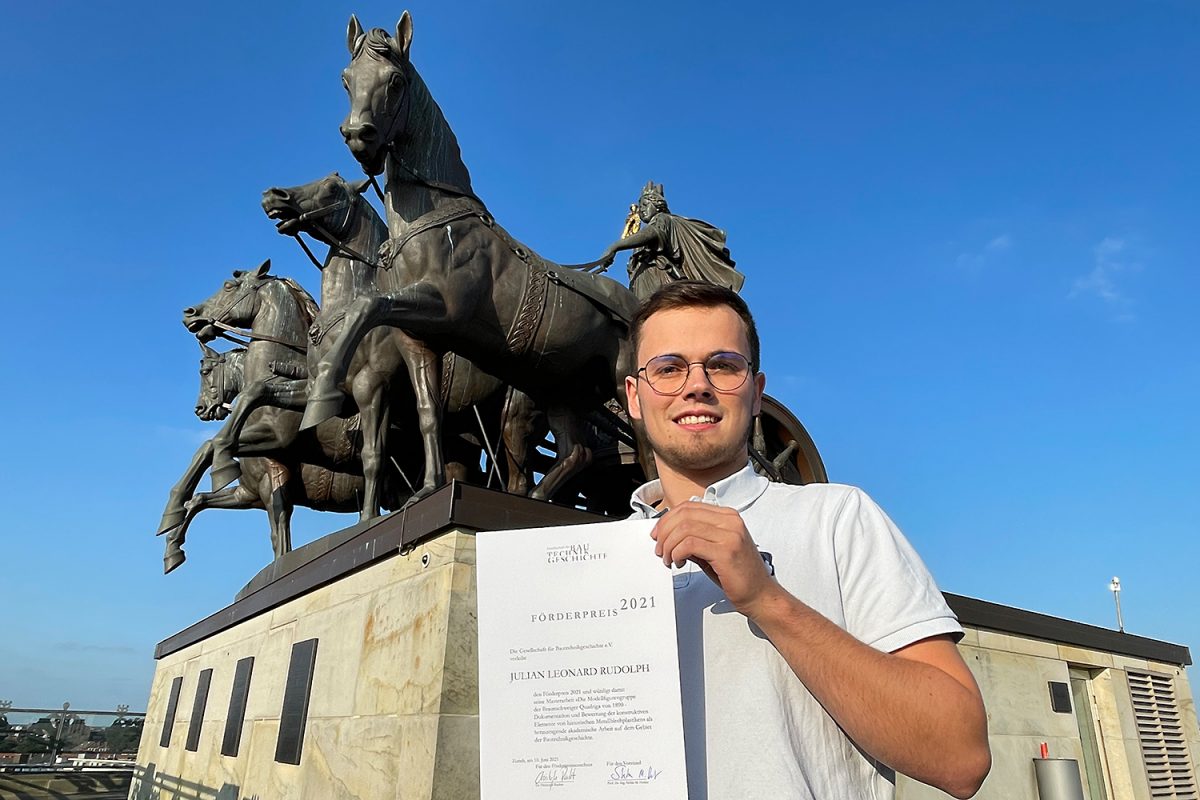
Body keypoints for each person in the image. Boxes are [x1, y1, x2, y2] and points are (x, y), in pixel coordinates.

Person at [624, 281, 991, 799]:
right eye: (669, 368)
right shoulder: (598, 564)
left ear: (755, 392)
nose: (696, 385)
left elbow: (961, 756)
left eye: (723, 365)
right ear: (635, 398)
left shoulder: (839, 518)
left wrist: (765, 599)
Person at [599, 182, 746, 300]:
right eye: (640, 207)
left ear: (657, 205)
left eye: (645, 205)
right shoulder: (647, 229)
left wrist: (615, 246)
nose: (641, 210)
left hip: (659, 281)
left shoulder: (662, 219)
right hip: (643, 284)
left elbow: (653, 233)